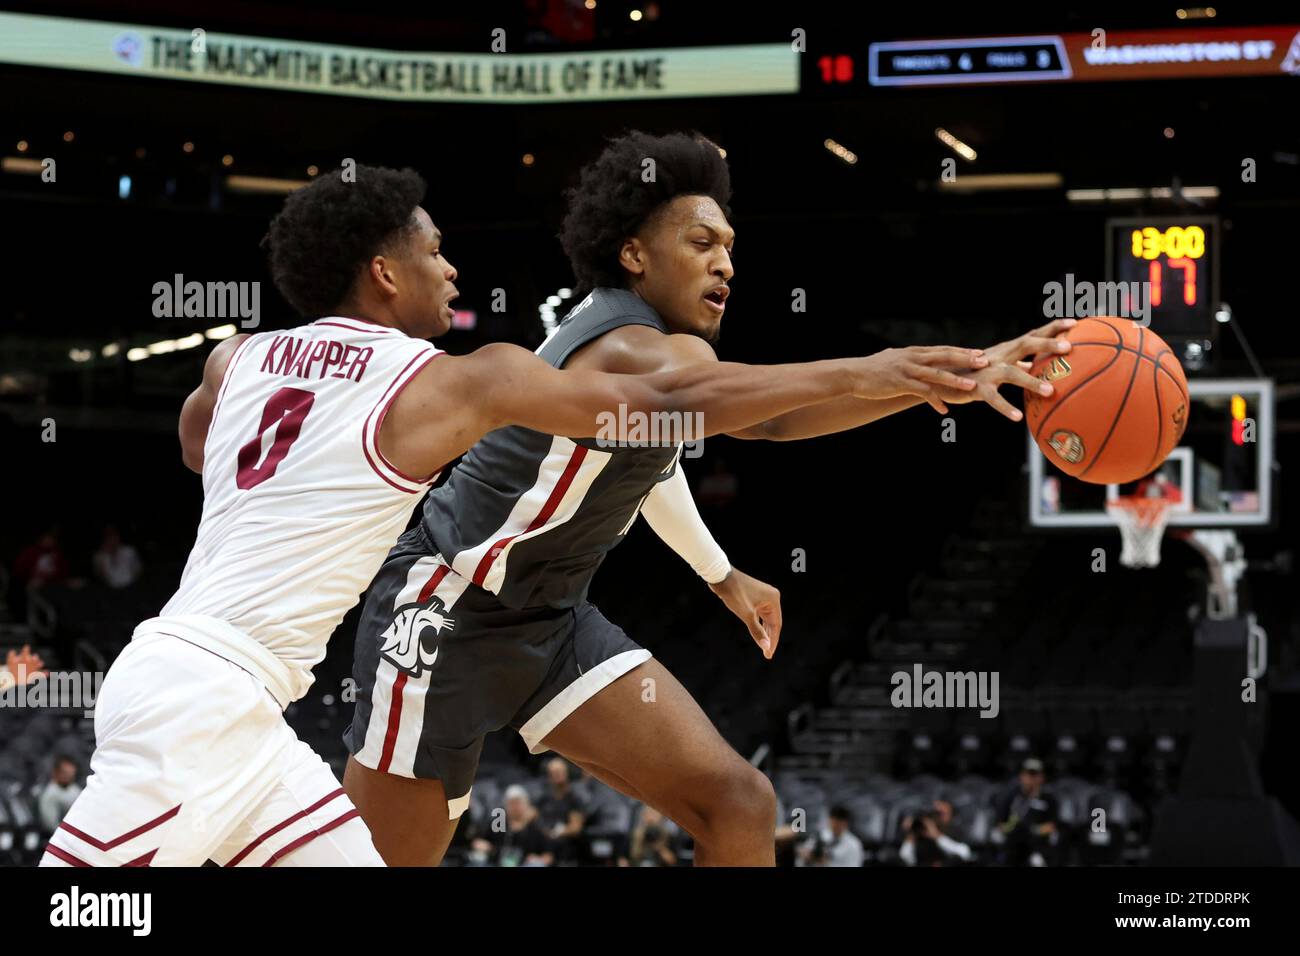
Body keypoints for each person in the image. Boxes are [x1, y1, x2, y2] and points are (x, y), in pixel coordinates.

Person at [41, 164, 936, 868]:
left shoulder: (235, 359)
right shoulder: (458, 380)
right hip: (206, 694)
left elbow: (200, 449)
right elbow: (668, 411)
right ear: (385, 271)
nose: (452, 267)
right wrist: (878, 370)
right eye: (435, 252)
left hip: (241, 704)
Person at [343, 131, 1072, 867]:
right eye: (701, 242)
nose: (725, 262)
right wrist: (876, 369)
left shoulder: (658, 351)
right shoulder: (626, 344)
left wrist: (722, 573)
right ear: (634, 254)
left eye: (729, 246)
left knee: (738, 803)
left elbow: (732, 433)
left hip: (552, 620)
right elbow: (710, 401)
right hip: (445, 612)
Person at [995, 758, 1060, 866]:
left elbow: (1052, 826)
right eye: (1028, 774)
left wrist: (1033, 830)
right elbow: (1001, 824)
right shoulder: (1011, 797)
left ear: (1041, 777)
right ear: (1021, 776)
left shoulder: (1049, 799)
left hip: (1038, 844)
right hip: (1013, 844)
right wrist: (1011, 827)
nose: (1031, 779)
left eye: (1034, 775)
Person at [470, 785, 554, 867]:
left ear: (526, 804)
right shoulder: (497, 824)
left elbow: (549, 856)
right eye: (511, 803)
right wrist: (486, 846)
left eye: (518, 803)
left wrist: (538, 859)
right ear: (506, 805)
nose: (515, 807)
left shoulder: (535, 826)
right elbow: (478, 842)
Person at [536, 758, 587, 861]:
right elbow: (534, 816)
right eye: (553, 773)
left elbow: (575, 828)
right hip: (543, 844)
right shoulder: (545, 798)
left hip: (565, 848)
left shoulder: (574, 798)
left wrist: (556, 832)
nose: (556, 775)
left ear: (566, 773)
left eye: (559, 772)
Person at [899, 799, 973, 866]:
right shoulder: (921, 834)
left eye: (941, 813)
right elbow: (905, 859)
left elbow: (965, 854)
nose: (937, 816)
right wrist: (911, 834)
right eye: (935, 812)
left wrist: (937, 836)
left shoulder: (955, 830)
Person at [798, 805, 865, 867]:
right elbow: (802, 858)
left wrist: (827, 863)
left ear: (845, 823)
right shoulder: (819, 836)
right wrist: (806, 856)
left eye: (838, 824)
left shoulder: (854, 844)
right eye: (833, 822)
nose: (835, 826)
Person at [37, 756, 83, 833]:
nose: (68, 776)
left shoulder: (75, 789)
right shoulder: (50, 794)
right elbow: (51, 825)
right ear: (55, 772)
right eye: (65, 773)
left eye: (71, 773)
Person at [91, 525, 143, 590]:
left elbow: (138, 569)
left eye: (114, 536)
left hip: (131, 586)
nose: (112, 540)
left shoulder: (129, 551)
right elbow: (99, 575)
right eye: (108, 537)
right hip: (110, 590)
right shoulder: (101, 556)